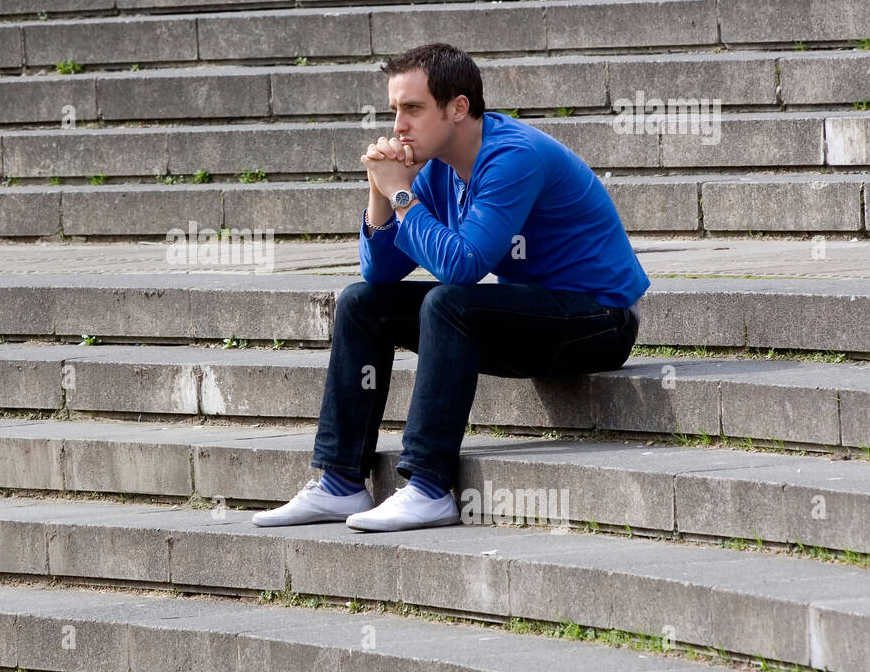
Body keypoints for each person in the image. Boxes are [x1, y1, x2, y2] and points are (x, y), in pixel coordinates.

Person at [252, 42, 650, 532]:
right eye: (395, 109)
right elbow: (380, 273)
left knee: (448, 302)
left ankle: (428, 487)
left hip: (599, 321)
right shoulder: (438, 166)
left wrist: (401, 192)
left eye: (412, 109)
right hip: (527, 318)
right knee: (361, 304)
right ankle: (340, 483)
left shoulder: (512, 157)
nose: (398, 125)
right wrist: (380, 192)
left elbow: (463, 267)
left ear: (458, 108)